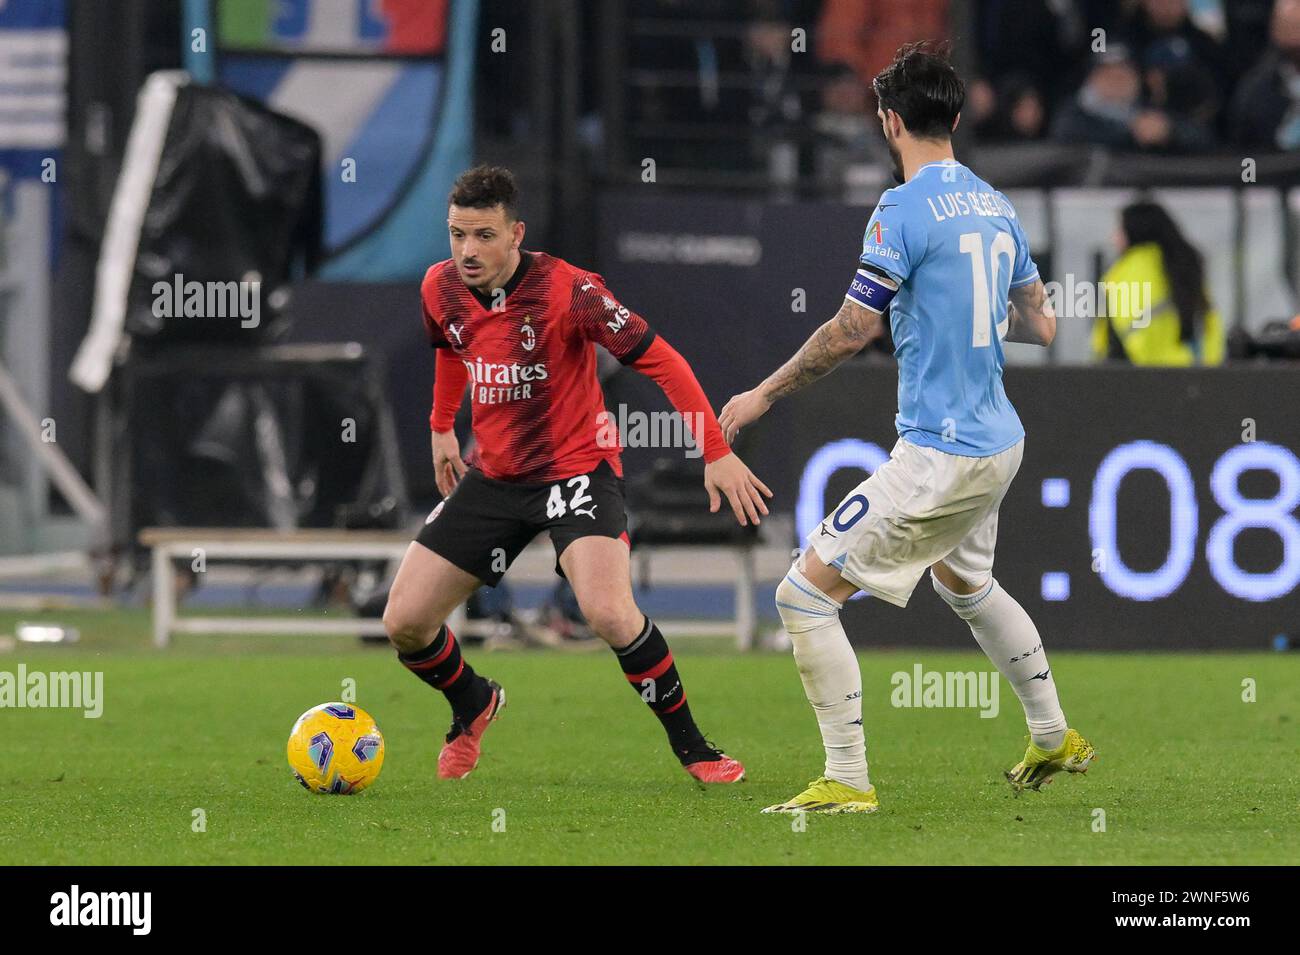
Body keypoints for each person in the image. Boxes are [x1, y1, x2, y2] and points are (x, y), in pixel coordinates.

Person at [720, 42, 1095, 814]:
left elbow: (851, 329)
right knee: (966, 582)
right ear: (954, 118)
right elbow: (1042, 325)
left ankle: (847, 779)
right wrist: (971, 315)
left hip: (943, 452)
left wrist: (762, 392)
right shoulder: (997, 204)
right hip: (1000, 441)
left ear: (890, 121)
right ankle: (1052, 731)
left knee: (803, 595)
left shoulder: (900, 207)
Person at [385, 165, 771, 783]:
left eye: (484, 236)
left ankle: (695, 748)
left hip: (576, 474)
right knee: (403, 622)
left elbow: (663, 360)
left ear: (517, 234)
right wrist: (439, 427)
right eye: (457, 234)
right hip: (497, 478)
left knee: (610, 614)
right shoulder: (440, 288)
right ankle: (473, 703)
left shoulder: (571, 291)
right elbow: (450, 348)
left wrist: (716, 449)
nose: (467, 251)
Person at [1091, 201, 1224, 365]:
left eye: (1119, 229)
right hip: (1193, 372)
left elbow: (1105, 339)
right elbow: (1211, 325)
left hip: (1138, 376)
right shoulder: (1185, 264)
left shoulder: (1125, 269)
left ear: (1133, 231)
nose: (1113, 237)